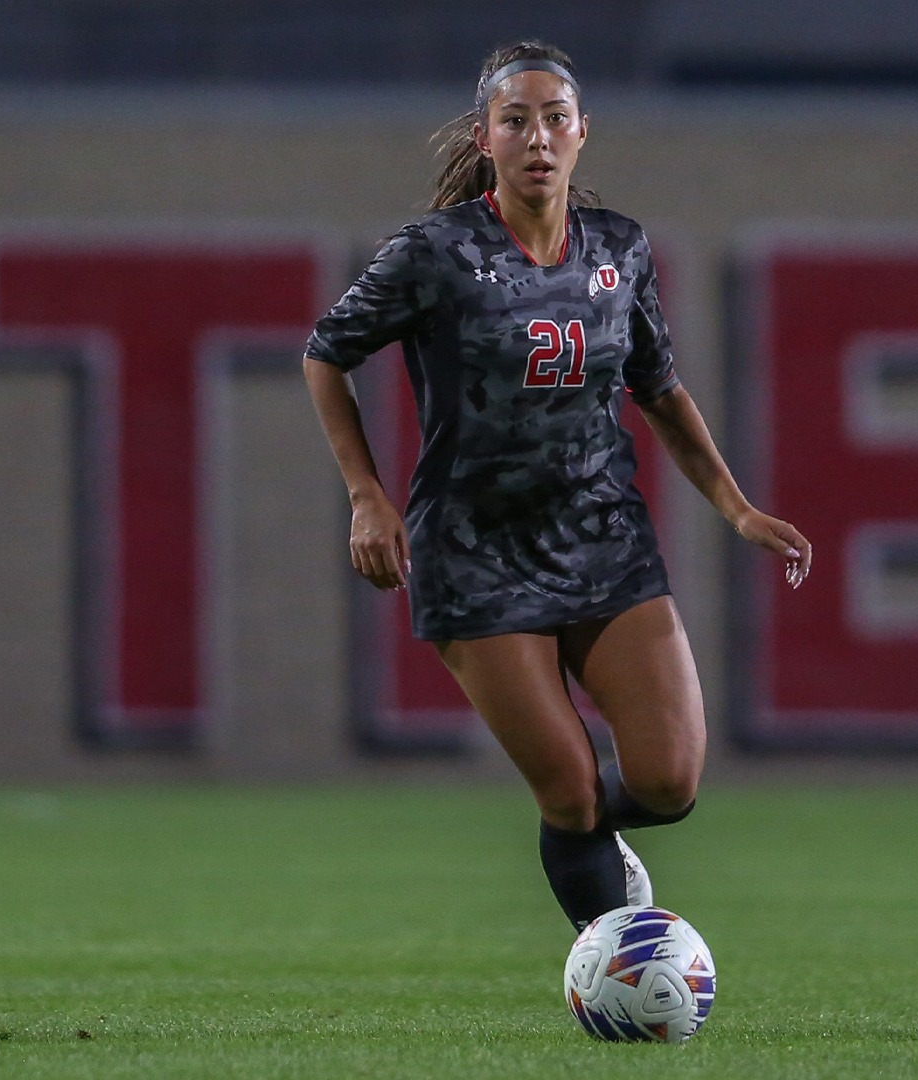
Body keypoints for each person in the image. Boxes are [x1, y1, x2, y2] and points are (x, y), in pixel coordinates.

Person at [302, 40, 810, 931]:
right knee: (571, 793)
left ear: (581, 132)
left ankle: (594, 859)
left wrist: (735, 507)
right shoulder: (435, 253)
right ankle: (611, 959)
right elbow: (324, 354)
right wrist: (365, 495)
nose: (537, 138)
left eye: (554, 119)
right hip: (476, 549)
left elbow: (660, 389)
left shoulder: (620, 248)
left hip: (602, 535)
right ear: (485, 137)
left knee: (669, 783)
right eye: (516, 121)